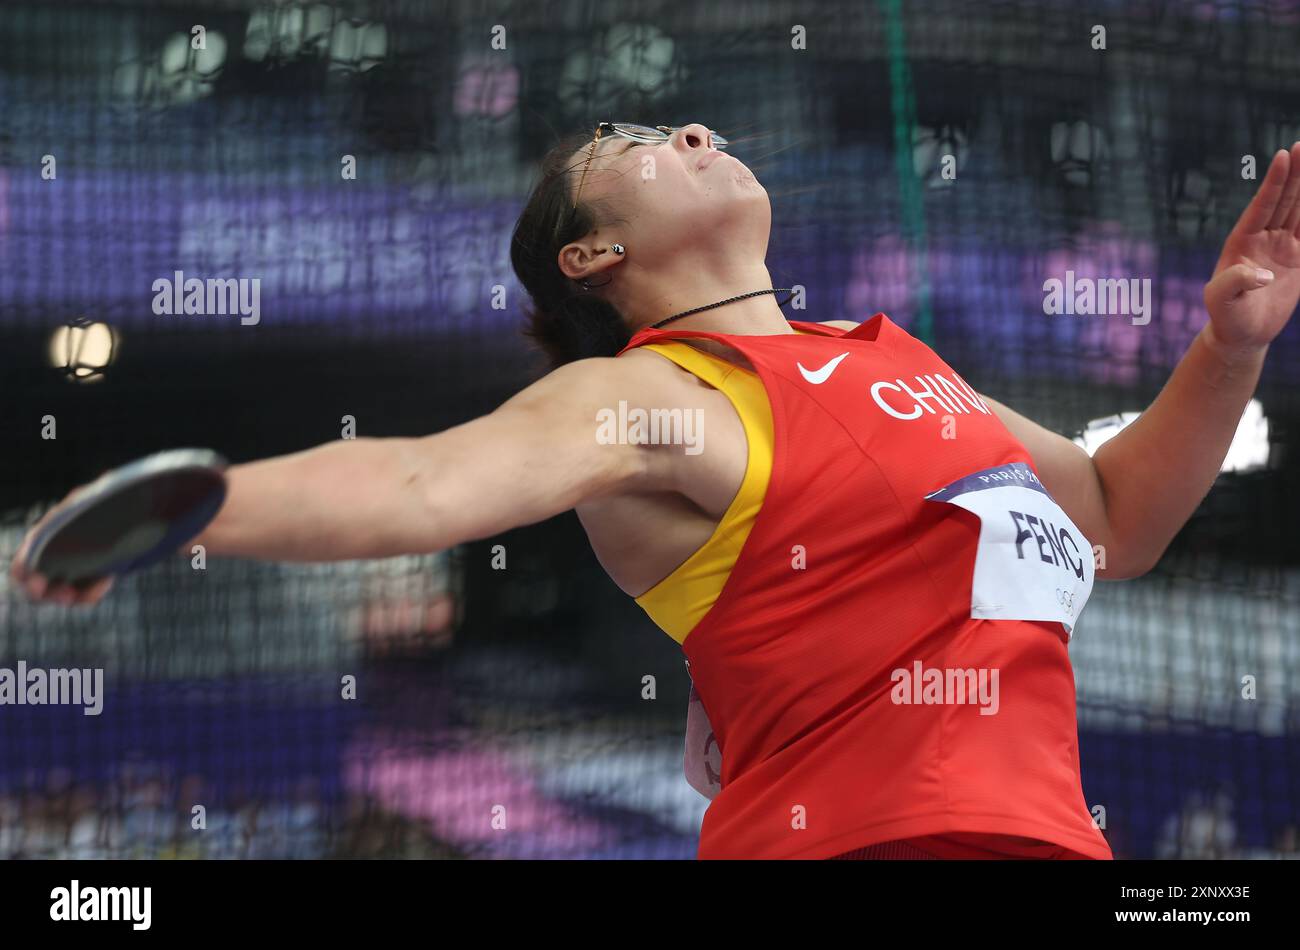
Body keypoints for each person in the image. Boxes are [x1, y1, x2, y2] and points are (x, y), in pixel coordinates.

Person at [13, 123, 1300, 860]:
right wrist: (193, 506)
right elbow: (421, 479)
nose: (692, 132)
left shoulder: (899, 361)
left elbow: (1116, 520)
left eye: (686, 127)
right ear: (594, 252)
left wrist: (1227, 346)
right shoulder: (658, 396)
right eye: (633, 143)